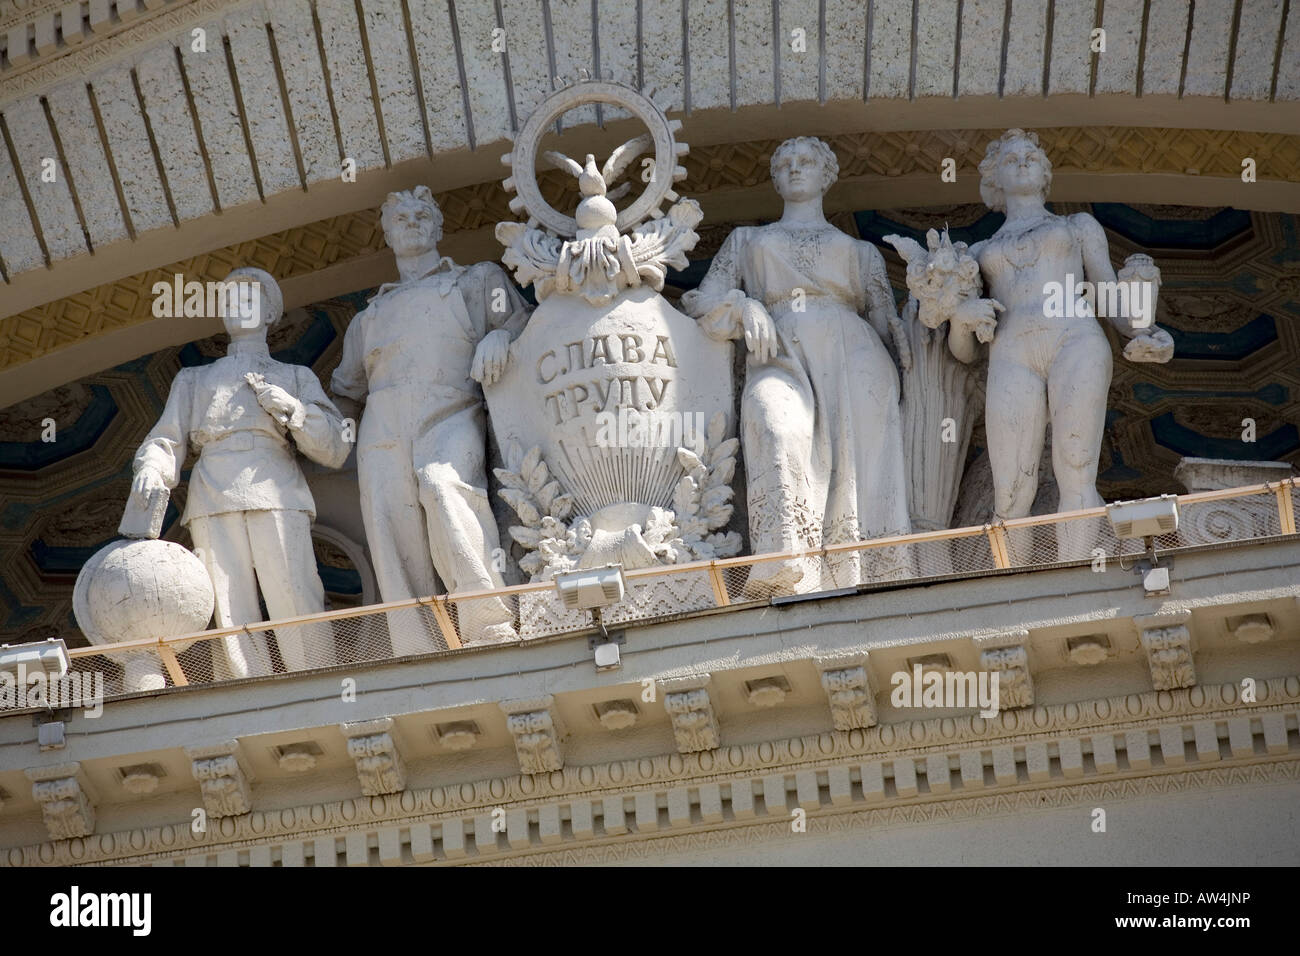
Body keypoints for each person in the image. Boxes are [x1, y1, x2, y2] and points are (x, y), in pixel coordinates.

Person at [682, 137, 912, 594]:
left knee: (856, 470)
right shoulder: (748, 241)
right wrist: (743, 305)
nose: (794, 169)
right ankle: (786, 561)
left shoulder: (862, 254)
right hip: (780, 351)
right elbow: (697, 302)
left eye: (805, 162)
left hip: (857, 359)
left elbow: (890, 324)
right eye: (784, 164)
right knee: (774, 424)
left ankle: (865, 570)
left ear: (827, 175)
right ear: (774, 178)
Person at [125, 268, 350, 678]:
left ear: (269, 313)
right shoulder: (195, 379)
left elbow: (335, 446)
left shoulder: (294, 377)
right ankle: (245, 685)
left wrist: (292, 410)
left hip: (275, 487)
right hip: (214, 492)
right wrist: (153, 467)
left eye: (247, 298)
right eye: (227, 300)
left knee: (294, 590)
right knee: (228, 602)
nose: (234, 306)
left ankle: (319, 677)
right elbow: (167, 439)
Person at [962, 129, 1174, 559]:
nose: (1022, 162)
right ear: (994, 181)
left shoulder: (1077, 226)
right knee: (1011, 490)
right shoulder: (978, 251)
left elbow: (1111, 297)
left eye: (1031, 157)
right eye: (1010, 159)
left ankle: (1074, 571)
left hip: (1075, 340)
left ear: (1045, 173)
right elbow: (963, 353)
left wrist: (1148, 333)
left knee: (1075, 465)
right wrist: (961, 322)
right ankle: (1011, 586)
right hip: (1011, 353)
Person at [331, 186, 528, 647]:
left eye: (423, 214)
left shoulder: (476, 281)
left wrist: (500, 339)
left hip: (452, 410)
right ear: (388, 234)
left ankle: (486, 620)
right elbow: (345, 391)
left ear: (439, 227)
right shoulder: (369, 317)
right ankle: (416, 644)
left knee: (444, 486)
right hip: (383, 425)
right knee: (390, 525)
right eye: (401, 218)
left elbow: (522, 322)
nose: (413, 222)